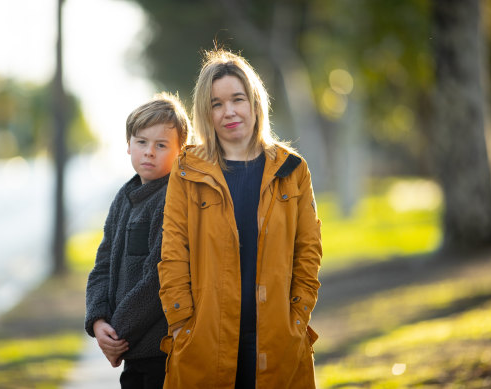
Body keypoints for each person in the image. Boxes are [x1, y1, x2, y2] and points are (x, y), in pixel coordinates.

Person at [158, 49, 322, 388]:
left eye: (237, 99)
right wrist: (181, 324)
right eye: (216, 104)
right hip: (204, 339)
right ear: (206, 112)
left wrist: (297, 317)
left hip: (277, 338)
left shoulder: (292, 170)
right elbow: (173, 252)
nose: (228, 112)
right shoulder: (187, 172)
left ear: (255, 103)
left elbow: (309, 251)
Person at [85, 92, 191, 389]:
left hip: (162, 353)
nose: (149, 152)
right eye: (142, 142)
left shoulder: (173, 198)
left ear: (180, 151)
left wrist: (117, 333)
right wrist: (98, 320)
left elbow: (159, 278)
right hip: (130, 350)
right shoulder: (124, 197)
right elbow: (103, 265)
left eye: (161, 145)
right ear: (128, 145)